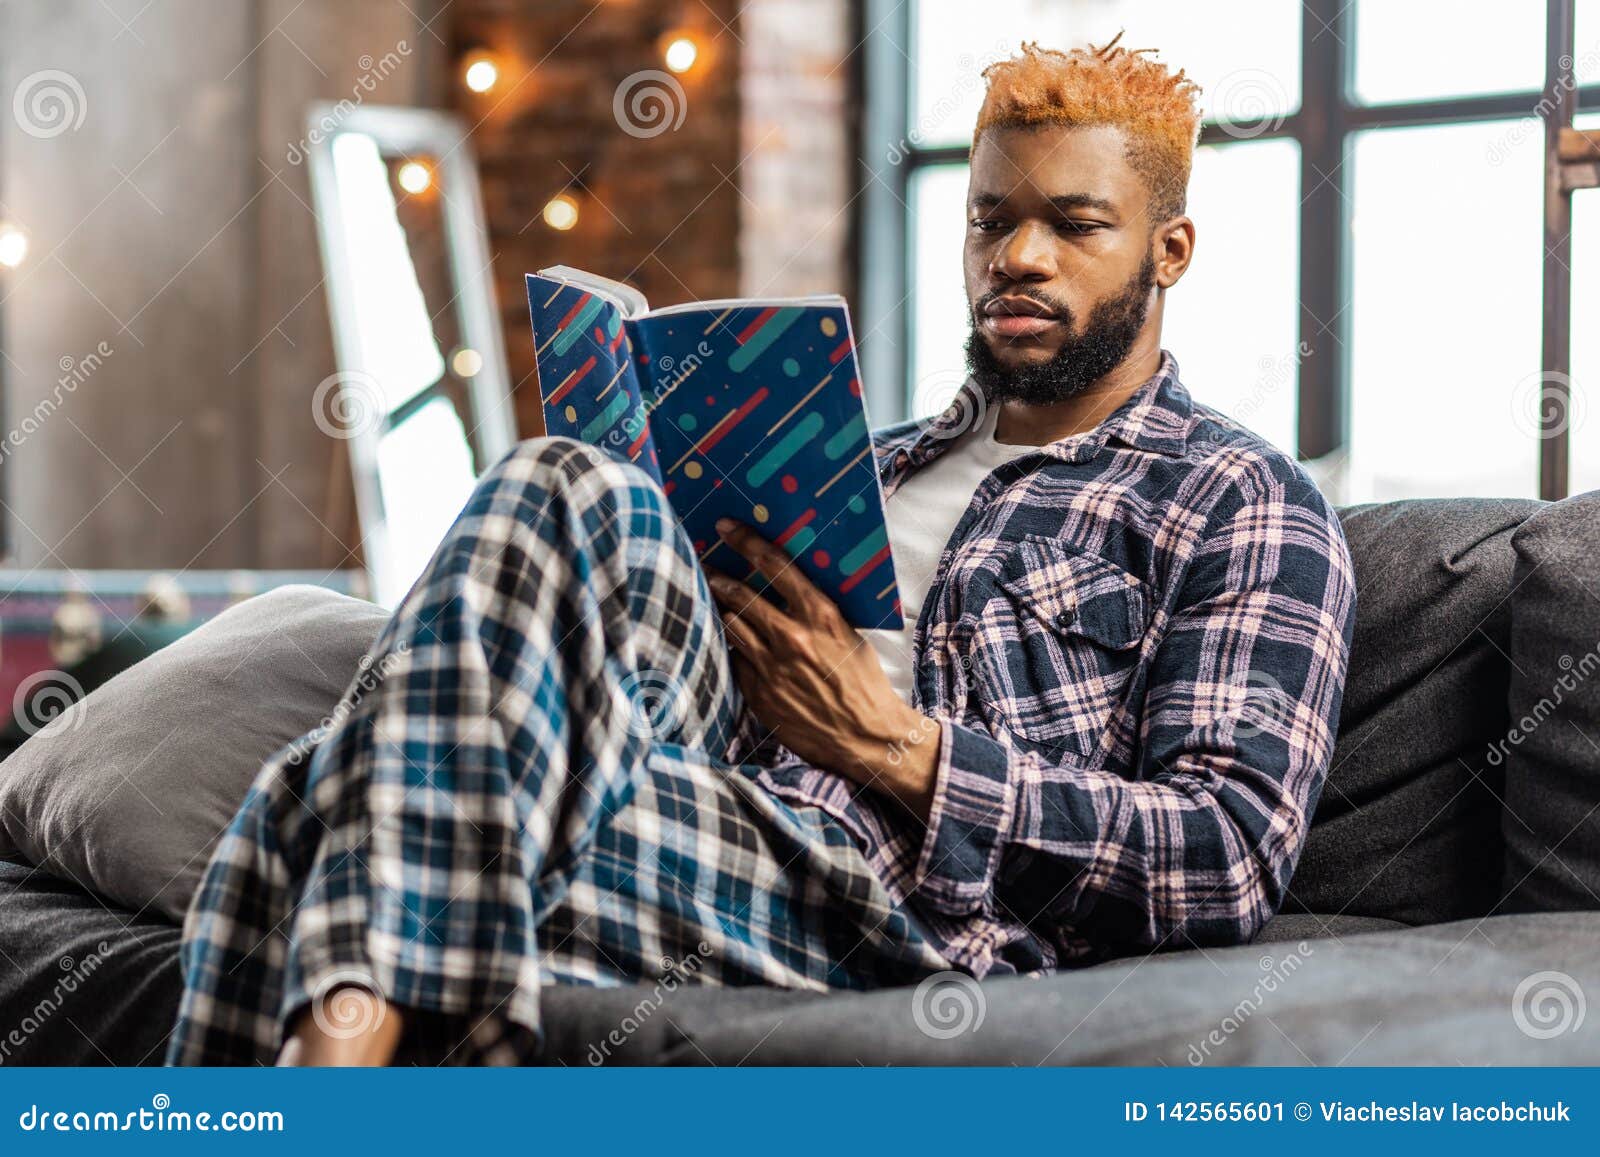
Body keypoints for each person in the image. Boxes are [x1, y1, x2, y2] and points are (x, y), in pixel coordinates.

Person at [169, 37, 1357, 1066]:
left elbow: (1225, 857)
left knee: (322, 798)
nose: (1019, 257)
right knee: (561, 476)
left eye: (1073, 223)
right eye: (991, 218)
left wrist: (902, 751)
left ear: (1170, 249)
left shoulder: (1241, 500)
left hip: (895, 908)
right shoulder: (864, 459)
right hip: (695, 786)